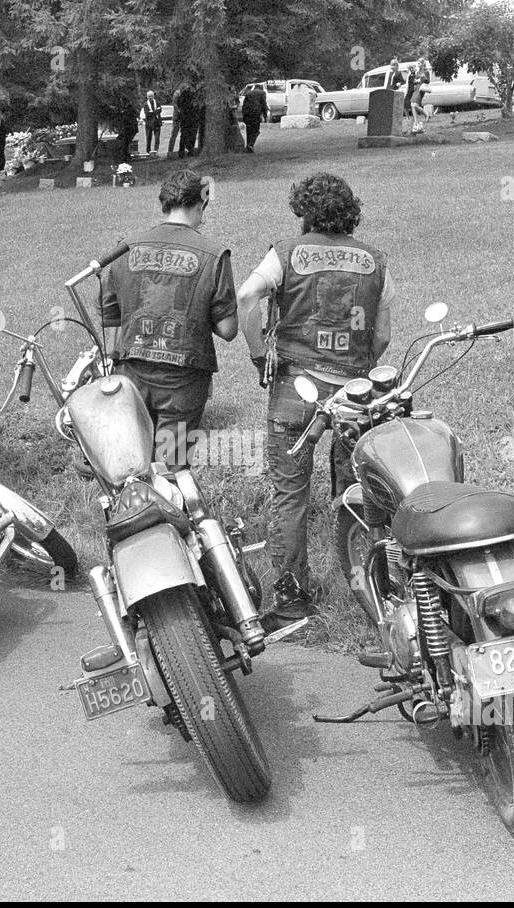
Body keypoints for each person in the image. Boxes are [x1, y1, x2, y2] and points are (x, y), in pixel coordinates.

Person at [236, 173, 394, 632]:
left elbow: (248, 295)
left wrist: (258, 352)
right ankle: (369, 591)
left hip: (295, 389)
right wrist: (357, 367)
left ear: (303, 212)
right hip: (354, 395)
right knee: (356, 492)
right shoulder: (376, 261)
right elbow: (382, 334)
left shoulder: (287, 252)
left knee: (289, 493)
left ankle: (291, 601)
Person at [101, 169, 238, 467]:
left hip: (129, 372)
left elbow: (108, 314)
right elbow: (228, 329)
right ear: (201, 204)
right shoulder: (214, 255)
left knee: (130, 463)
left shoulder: (125, 248)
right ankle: (167, 511)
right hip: (183, 382)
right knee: (171, 468)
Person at [242, 83, 268, 152]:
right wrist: (265, 116)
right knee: (256, 130)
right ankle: (250, 145)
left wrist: (243, 115)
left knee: (249, 131)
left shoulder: (248, 93)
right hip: (255, 114)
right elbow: (263, 104)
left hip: (247, 113)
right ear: (261, 88)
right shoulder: (262, 93)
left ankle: (248, 146)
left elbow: (244, 105)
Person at [142, 90, 162, 155]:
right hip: (149, 123)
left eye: (151, 96)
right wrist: (155, 111)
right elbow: (147, 113)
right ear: (147, 97)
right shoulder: (145, 104)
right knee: (148, 138)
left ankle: (156, 150)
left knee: (157, 138)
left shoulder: (157, 102)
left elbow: (160, 110)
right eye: (149, 96)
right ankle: (148, 151)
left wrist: (152, 112)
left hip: (157, 122)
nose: (150, 97)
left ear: (153, 96)